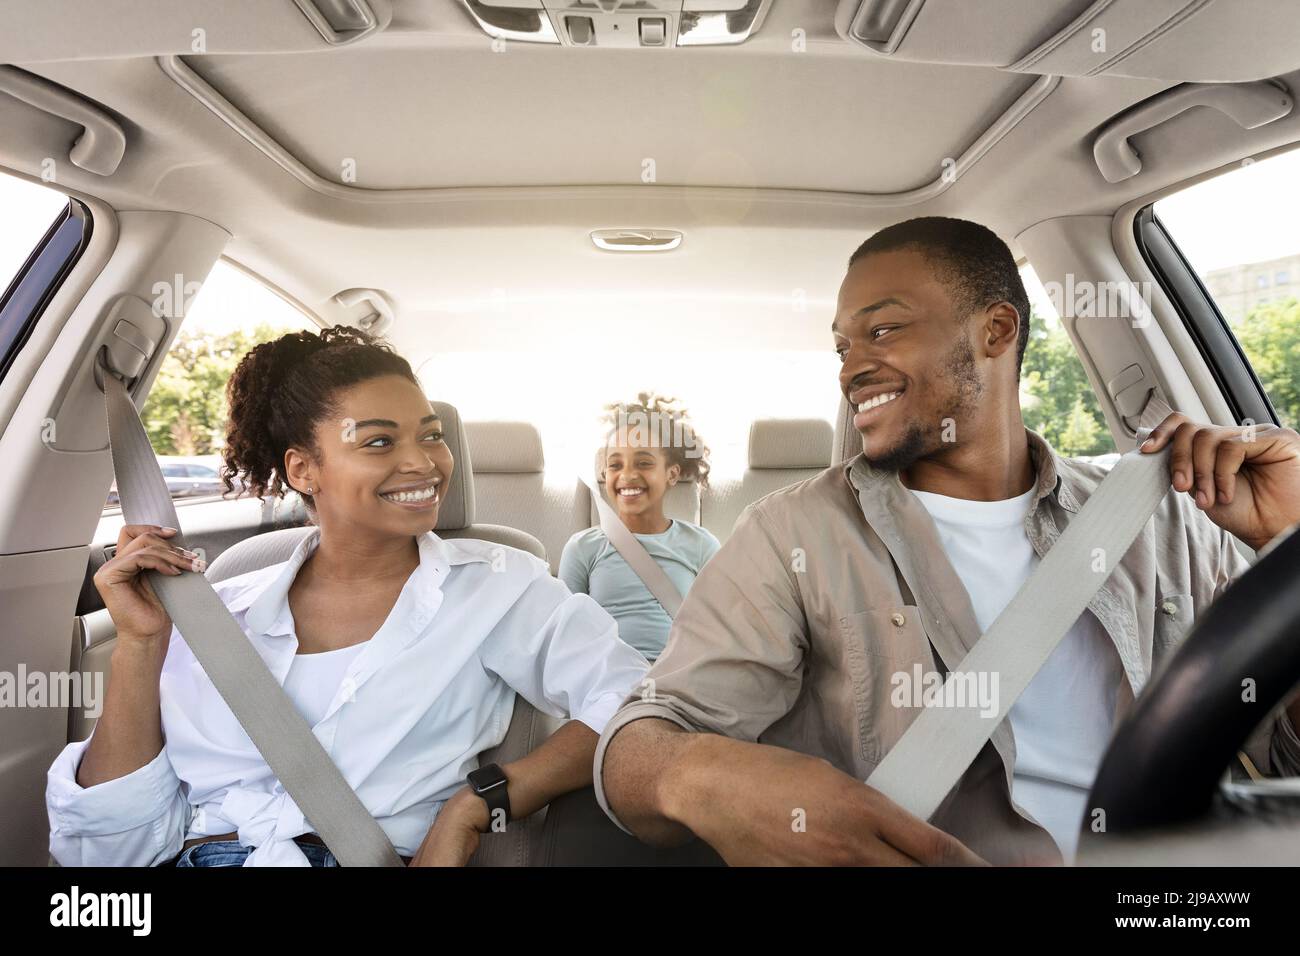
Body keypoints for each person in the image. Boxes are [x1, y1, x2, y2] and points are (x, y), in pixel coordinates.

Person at [594, 216, 1300, 866]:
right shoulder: (793, 535)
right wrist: (704, 778)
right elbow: (640, 740)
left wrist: (1290, 542)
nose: (850, 368)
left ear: (996, 331)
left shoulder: (1164, 514)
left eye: (884, 331)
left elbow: (1277, 755)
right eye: (842, 346)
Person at [46, 327, 649, 867]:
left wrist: (476, 805)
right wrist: (140, 643)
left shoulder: (499, 584)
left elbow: (632, 699)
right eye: (379, 443)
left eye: (431, 436)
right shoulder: (211, 608)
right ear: (304, 469)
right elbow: (106, 853)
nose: (424, 463)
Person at [558, 393, 720, 662]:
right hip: (605, 677)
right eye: (615, 465)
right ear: (605, 475)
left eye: (644, 463)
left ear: (672, 474)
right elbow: (564, 635)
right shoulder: (583, 548)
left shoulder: (702, 546)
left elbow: (720, 632)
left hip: (678, 679)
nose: (628, 475)